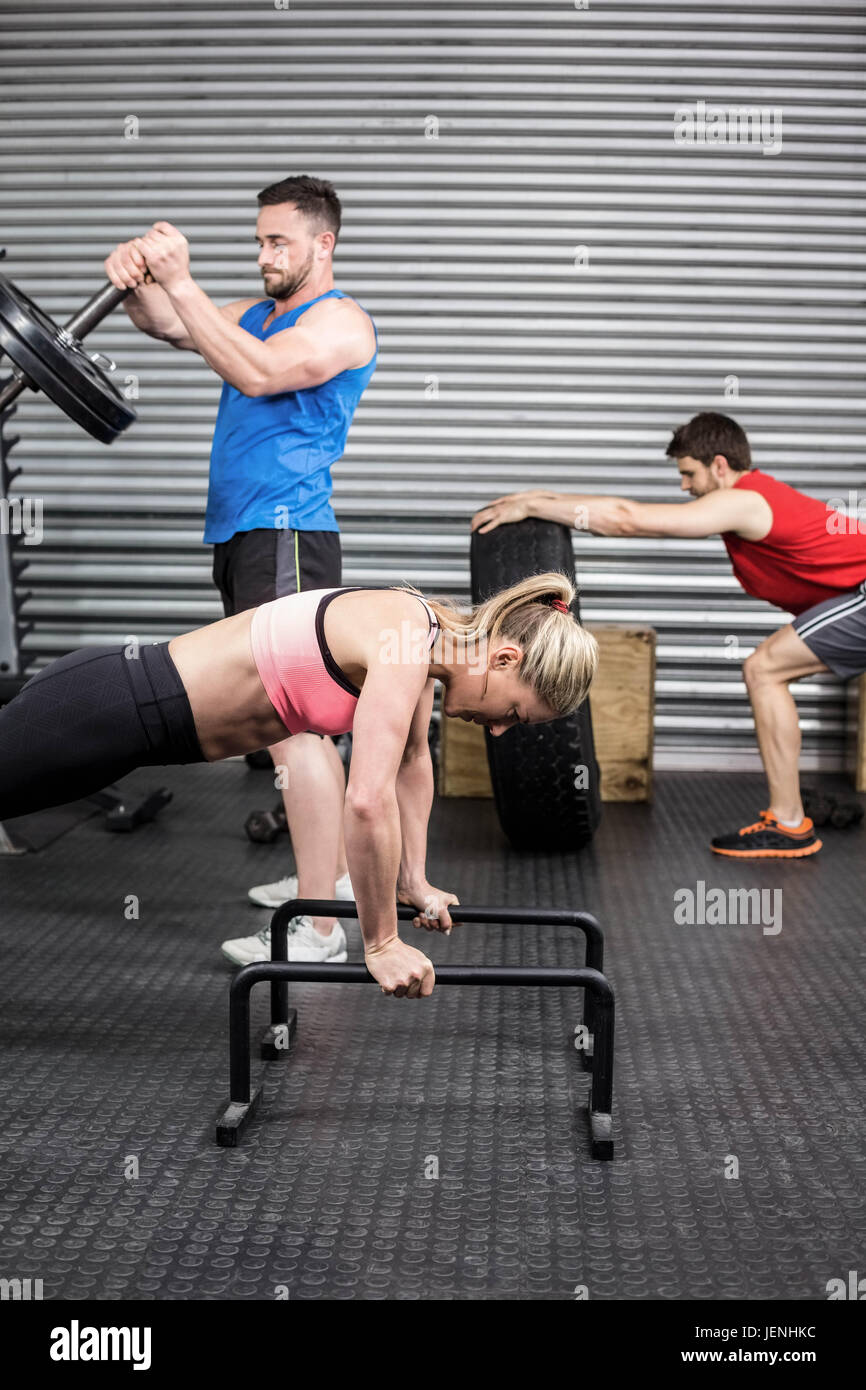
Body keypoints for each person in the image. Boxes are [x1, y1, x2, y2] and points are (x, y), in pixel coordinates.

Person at [0, 575, 598, 996]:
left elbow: (414, 765)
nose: (497, 731)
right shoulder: (406, 635)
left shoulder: (423, 646)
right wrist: (381, 942)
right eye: (513, 714)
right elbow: (366, 798)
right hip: (107, 704)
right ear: (503, 660)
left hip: (131, 730)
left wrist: (412, 879)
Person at [103, 174, 376, 966]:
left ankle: (320, 923)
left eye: (278, 240)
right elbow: (170, 325)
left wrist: (182, 282)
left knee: (297, 731)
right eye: (258, 239)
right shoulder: (255, 314)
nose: (263, 254)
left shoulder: (340, 322)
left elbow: (256, 372)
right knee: (278, 722)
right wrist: (138, 281)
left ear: (323, 243)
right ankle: (323, 878)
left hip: (286, 534)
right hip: (243, 535)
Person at [471, 411, 866, 859]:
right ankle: (791, 814)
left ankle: (790, 822)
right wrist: (535, 498)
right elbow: (617, 509)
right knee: (768, 670)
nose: (684, 487)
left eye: (688, 474)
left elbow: (627, 519)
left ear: (720, 465)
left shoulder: (747, 499)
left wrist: (535, 505)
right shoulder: (754, 499)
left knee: (765, 669)